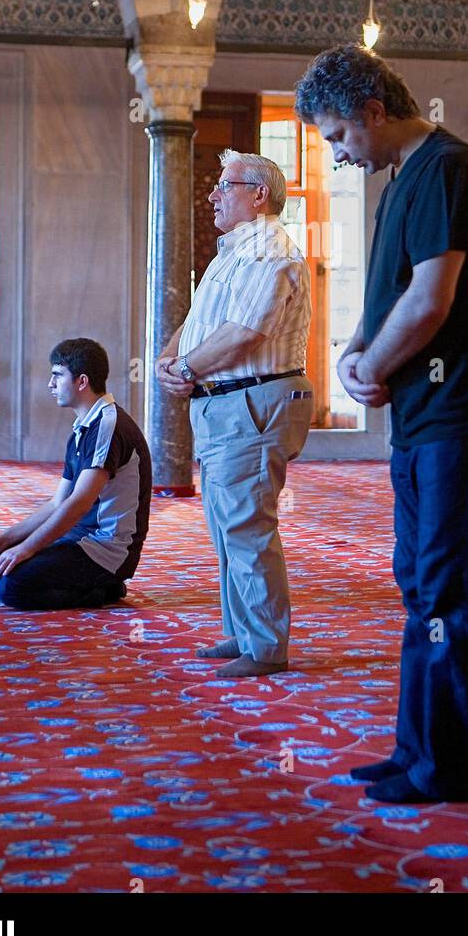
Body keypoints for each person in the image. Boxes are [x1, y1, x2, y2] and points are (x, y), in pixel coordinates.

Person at [295, 44, 468, 804]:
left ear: (373, 111)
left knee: (452, 589)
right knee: (419, 585)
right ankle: (416, 749)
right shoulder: (401, 180)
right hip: (425, 415)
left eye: (338, 136)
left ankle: (452, 768)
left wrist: (369, 368)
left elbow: (432, 300)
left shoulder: (448, 170)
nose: (337, 153)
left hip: (463, 408)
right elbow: (392, 300)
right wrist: (358, 352)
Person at [156, 150, 313, 679]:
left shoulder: (269, 250)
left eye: (225, 185)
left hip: (254, 399)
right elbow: (200, 319)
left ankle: (266, 647)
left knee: (246, 525)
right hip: (227, 402)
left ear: (259, 194)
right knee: (227, 528)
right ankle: (243, 633)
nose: (213, 194)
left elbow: (246, 333)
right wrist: (170, 360)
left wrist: (183, 366)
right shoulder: (232, 254)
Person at [0, 338, 151, 610]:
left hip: (108, 550)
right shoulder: (83, 425)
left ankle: (104, 590)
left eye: (57, 375)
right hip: (80, 538)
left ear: (82, 381)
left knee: (13, 585)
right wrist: (7, 539)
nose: (50, 384)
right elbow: (58, 502)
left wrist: (27, 548)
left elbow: (79, 502)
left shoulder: (107, 425)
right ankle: (94, 584)